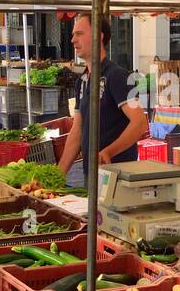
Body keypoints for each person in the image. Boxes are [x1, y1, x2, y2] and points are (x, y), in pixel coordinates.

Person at [58, 14, 149, 181]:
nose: (72, 40)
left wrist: (109, 151)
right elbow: (76, 132)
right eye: (73, 34)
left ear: (98, 36)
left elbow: (140, 122)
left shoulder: (117, 76)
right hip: (91, 175)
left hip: (117, 177)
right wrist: (57, 175)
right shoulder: (83, 81)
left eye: (79, 34)